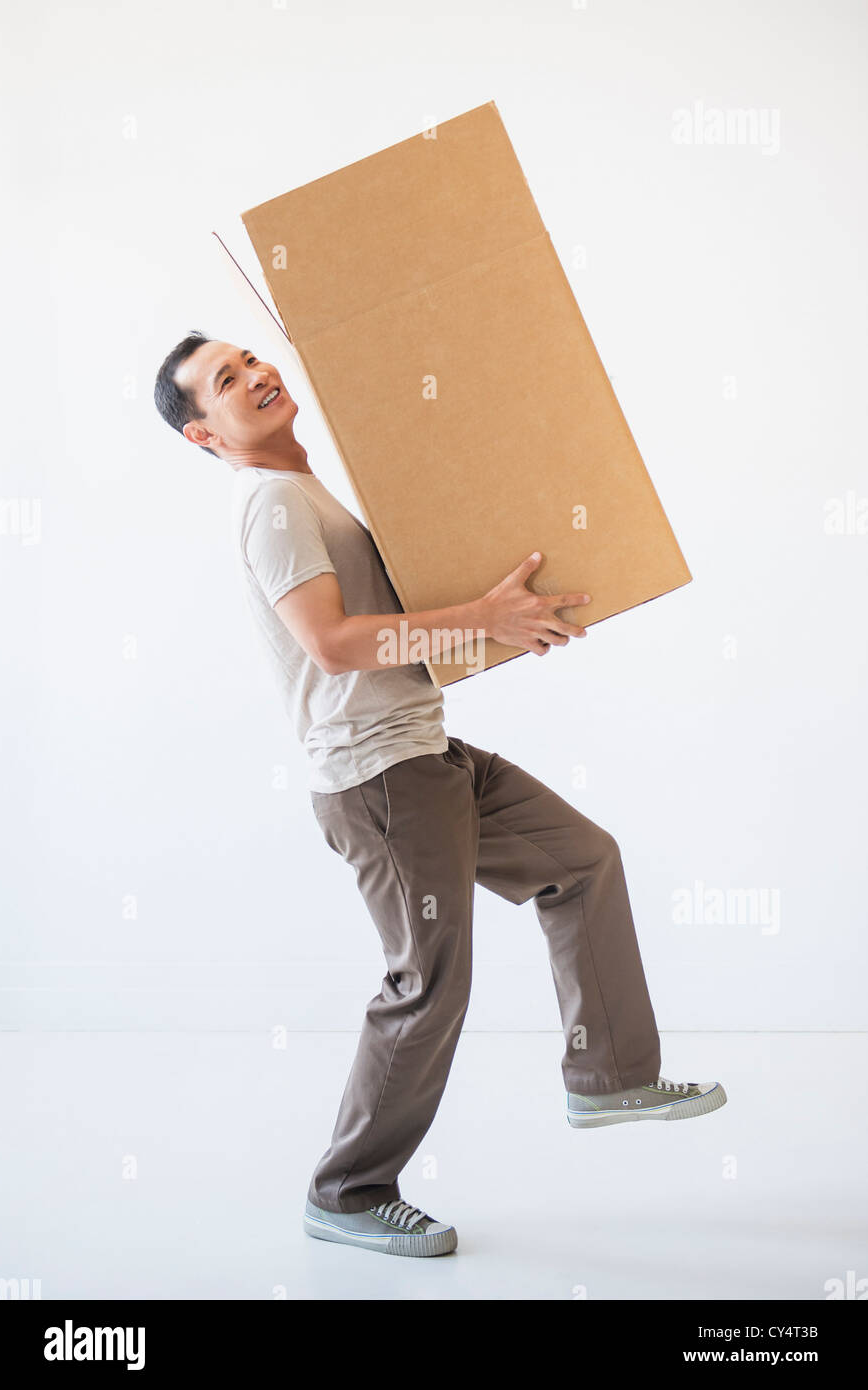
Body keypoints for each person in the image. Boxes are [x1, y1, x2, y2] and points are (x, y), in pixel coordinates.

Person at [154, 332, 727, 1259]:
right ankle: (346, 1191)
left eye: (252, 358)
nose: (255, 375)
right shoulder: (268, 503)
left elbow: (391, 629)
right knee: (427, 981)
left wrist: (500, 631)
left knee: (581, 862)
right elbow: (333, 643)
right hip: (379, 780)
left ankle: (610, 1075)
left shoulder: (307, 486)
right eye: (225, 381)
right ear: (202, 433)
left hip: (425, 752)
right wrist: (480, 621)